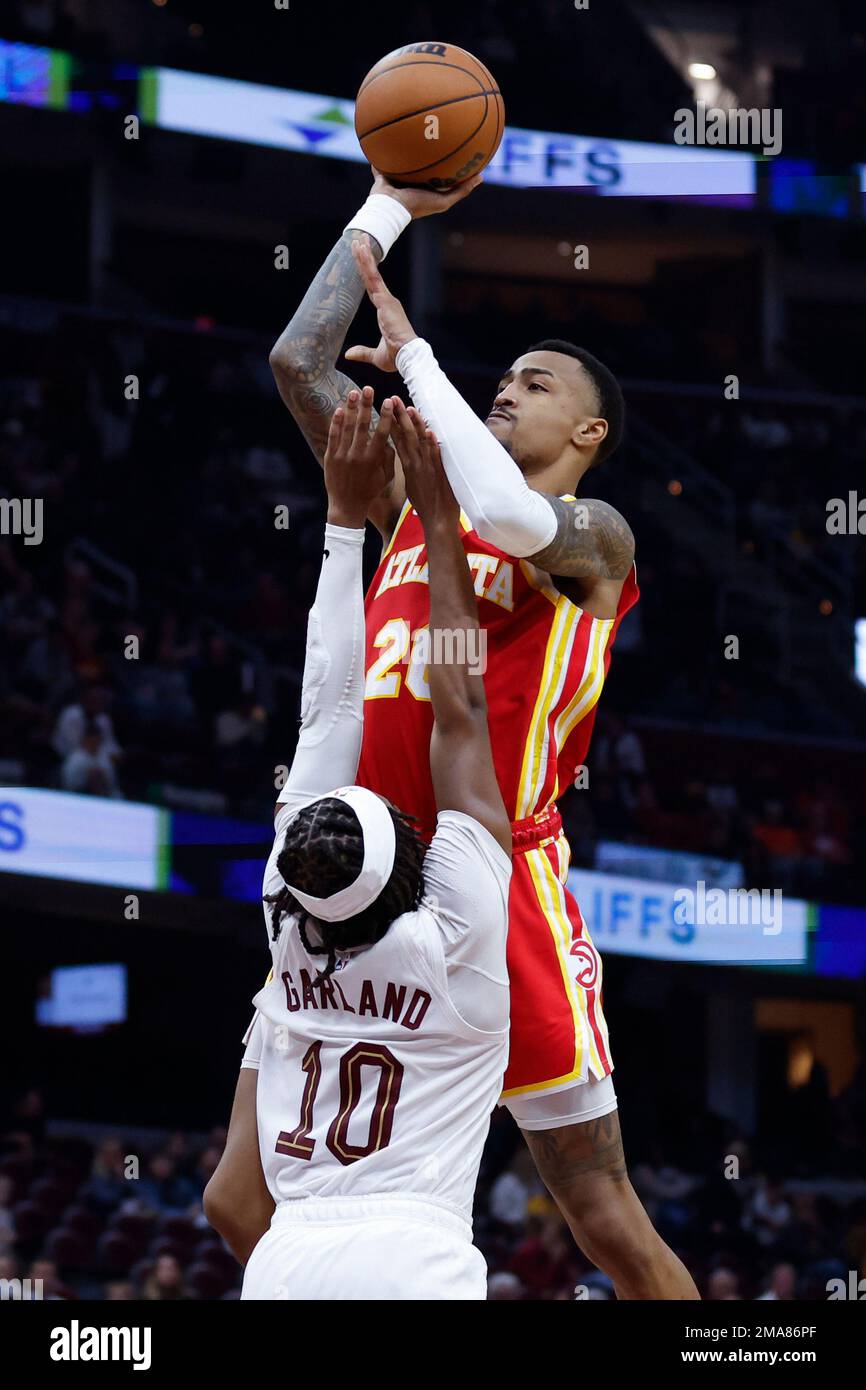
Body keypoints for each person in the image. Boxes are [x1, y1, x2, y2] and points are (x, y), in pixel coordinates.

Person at [206, 169, 698, 1299]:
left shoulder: (595, 542)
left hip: (492, 878)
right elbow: (295, 365)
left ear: (589, 427)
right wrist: (388, 205)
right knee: (236, 1198)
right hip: (351, 874)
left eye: (533, 384)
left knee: (599, 1212)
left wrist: (416, 357)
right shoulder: (407, 510)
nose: (504, 392)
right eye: (501, 378)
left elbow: (512, 519)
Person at [236, 387, 512, 1300]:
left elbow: (334, 704)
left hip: (287, 1254)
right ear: (408, 852)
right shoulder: (447, 942)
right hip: (410, 1255)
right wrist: (440, 523)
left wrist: (344, 524)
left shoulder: (293, 929)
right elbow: (460, 707)